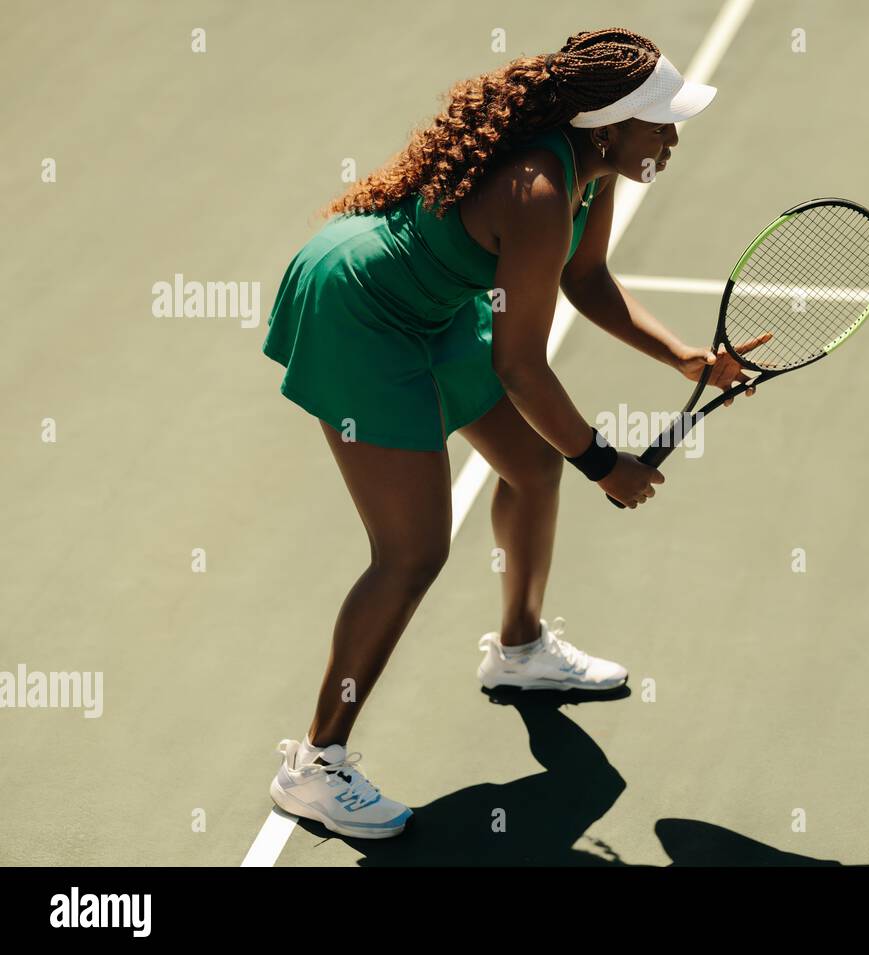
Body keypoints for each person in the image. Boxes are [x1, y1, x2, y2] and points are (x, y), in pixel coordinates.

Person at [261, 27, 753, 839]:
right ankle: (314, 764)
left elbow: (584, 278)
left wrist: (683, 357)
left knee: (530, 467)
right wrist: (604, 462)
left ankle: (519, 651)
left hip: (434, 309)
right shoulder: (537, 190)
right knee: (413, 551)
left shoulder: (592, 171)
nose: (672, 138)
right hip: (361, 311)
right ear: (607, 124)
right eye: (661, 122)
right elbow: (523, 367)